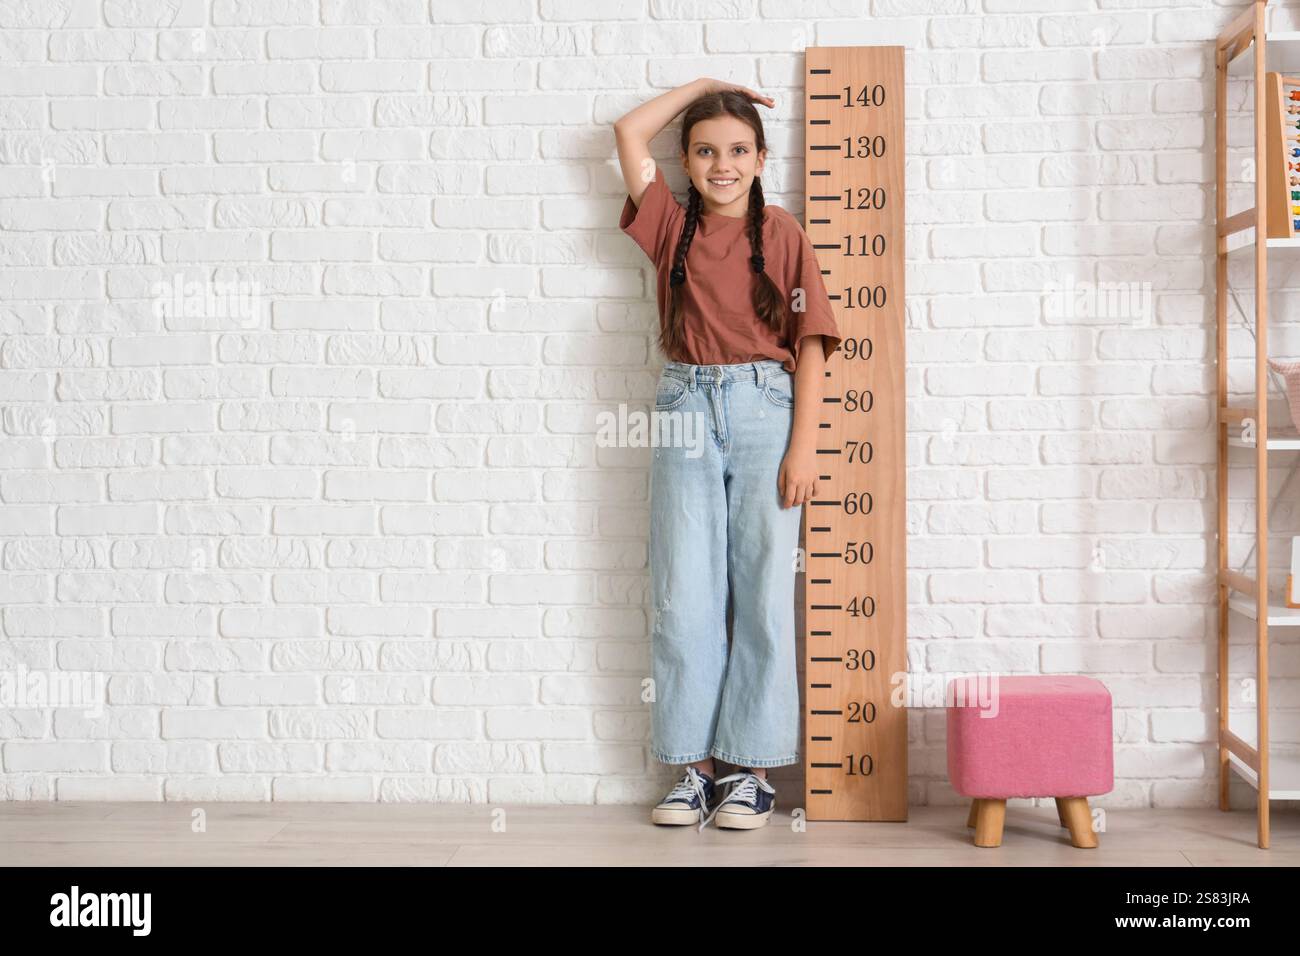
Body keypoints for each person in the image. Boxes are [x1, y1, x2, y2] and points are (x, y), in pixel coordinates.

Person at [613, 78, 842, 830]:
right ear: (687, 157)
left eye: (737, 151)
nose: (722, 164)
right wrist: (706, 88)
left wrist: (803, 445)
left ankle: (749, 771)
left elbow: (811, 346)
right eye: (706, 150)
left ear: (760, 157)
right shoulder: (668, 227)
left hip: (765, 410)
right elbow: (627, 133)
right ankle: (692, 769)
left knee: (764, 590)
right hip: (683, 406)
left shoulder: (783, 233)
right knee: (685, 592)